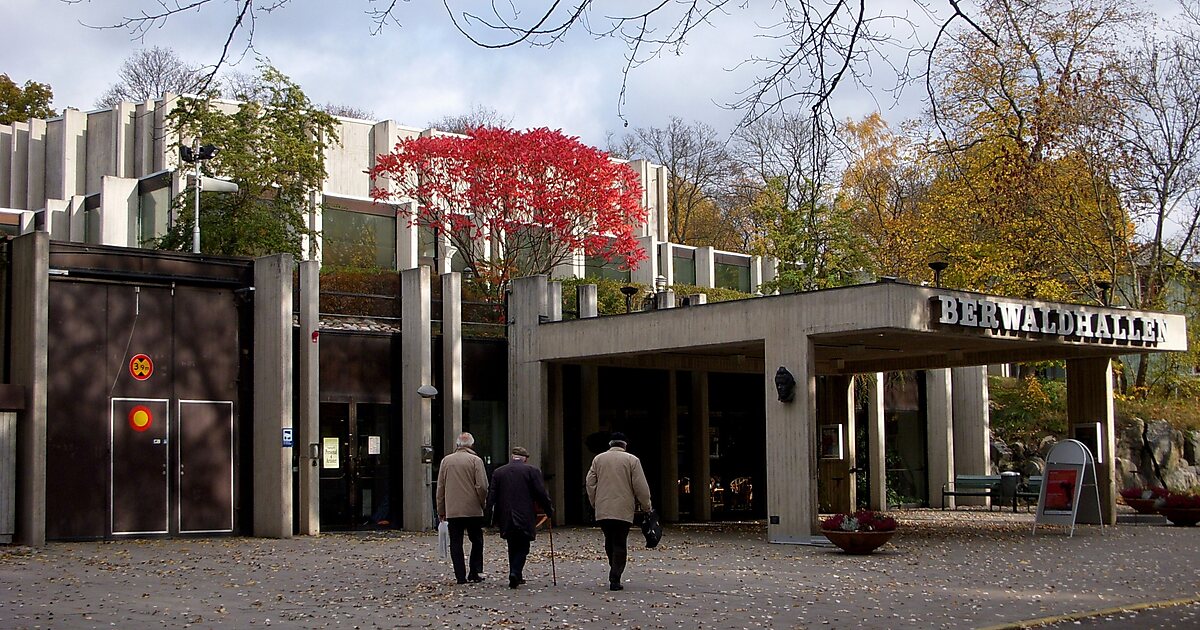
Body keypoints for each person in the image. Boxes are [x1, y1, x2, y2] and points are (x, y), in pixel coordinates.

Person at [586, 431, 652, 591]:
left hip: (603, 508)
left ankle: (613, 566)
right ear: (625, 445)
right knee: (620, 542)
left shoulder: (598, 459)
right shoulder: (632, 460)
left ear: (610, 445)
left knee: (609, 540)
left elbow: (590, 482)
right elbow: (640, 486)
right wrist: (646, 506)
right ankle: (615, 575)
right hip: (623, 509)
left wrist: (595, 501)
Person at [486, 446, 554, 589]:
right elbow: (540, 493)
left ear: (512, 457)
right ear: (525, 458)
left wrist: (489, 516)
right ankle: (515, 572)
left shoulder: (499, 472)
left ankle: (516, 573)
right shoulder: (532, 471)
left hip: (505, 514)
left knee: (512, 544)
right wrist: (549, 509)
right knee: (523, 545)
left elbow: (491, 496)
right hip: (525, 514)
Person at [436, 432, 489, 584]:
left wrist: (441, 510)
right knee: (477, 540)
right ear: (471, 445)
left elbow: (441, 488)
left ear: (457, 444)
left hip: (453, 509)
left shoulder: (446, 461)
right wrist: (482, 503)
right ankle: (474, 571)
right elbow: (482, 486)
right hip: (472, 509)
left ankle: (460, 575)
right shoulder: (475, 461)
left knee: (456, 542)